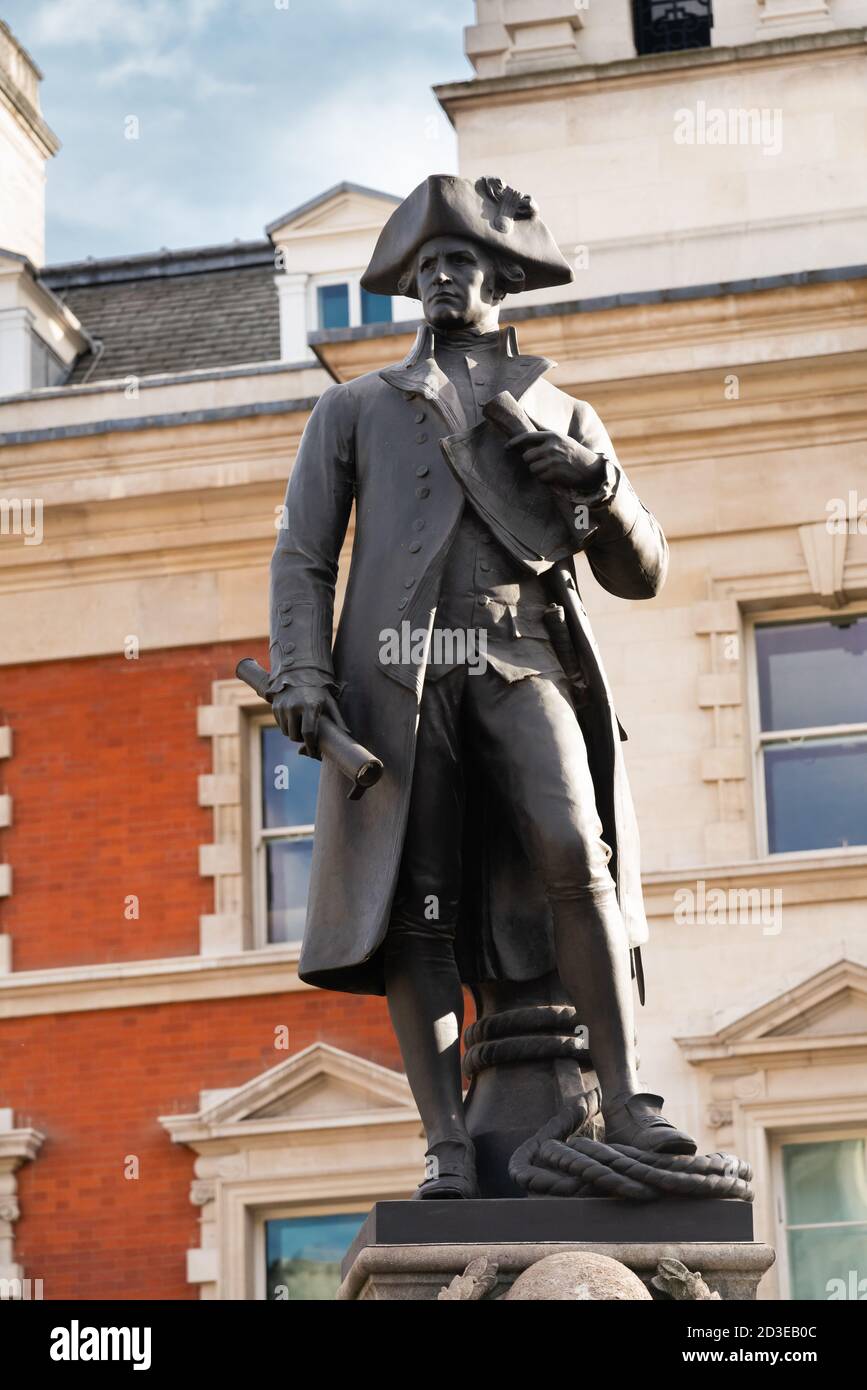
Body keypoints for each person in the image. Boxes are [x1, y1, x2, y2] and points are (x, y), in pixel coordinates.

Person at [269, 175, 696, 1198]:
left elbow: (644, 572)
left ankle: (629, 1103)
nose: (440, 280)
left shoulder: (564, 409)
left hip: (519, 654)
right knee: (419, 907)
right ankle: (447, 1142)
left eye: (459, 262)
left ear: (500, 276)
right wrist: (301, 670)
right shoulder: (356, 407)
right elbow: (304, 555)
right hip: (401, 677)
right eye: (425, 268)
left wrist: (591, 486)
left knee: (574, 850)